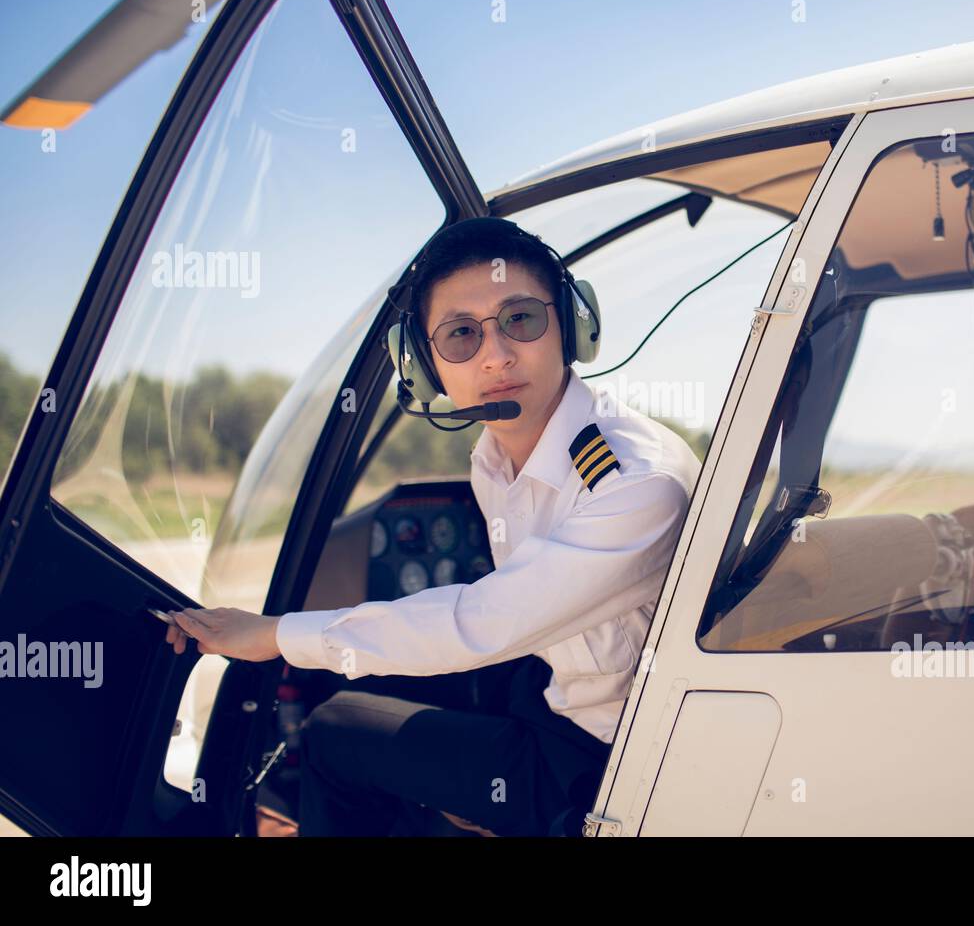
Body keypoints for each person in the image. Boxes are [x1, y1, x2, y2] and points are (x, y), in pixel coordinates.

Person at [165, 217, 701, 836]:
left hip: (607, 757)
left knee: (336, 734)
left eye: (521, 320)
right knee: (391, 679)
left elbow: (478, 623)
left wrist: (275, 636)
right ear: (424, 367)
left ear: (574, 328)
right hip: (553, 686)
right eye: (461, 336)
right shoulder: (495, 459)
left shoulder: (635, 482)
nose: (497, 356)